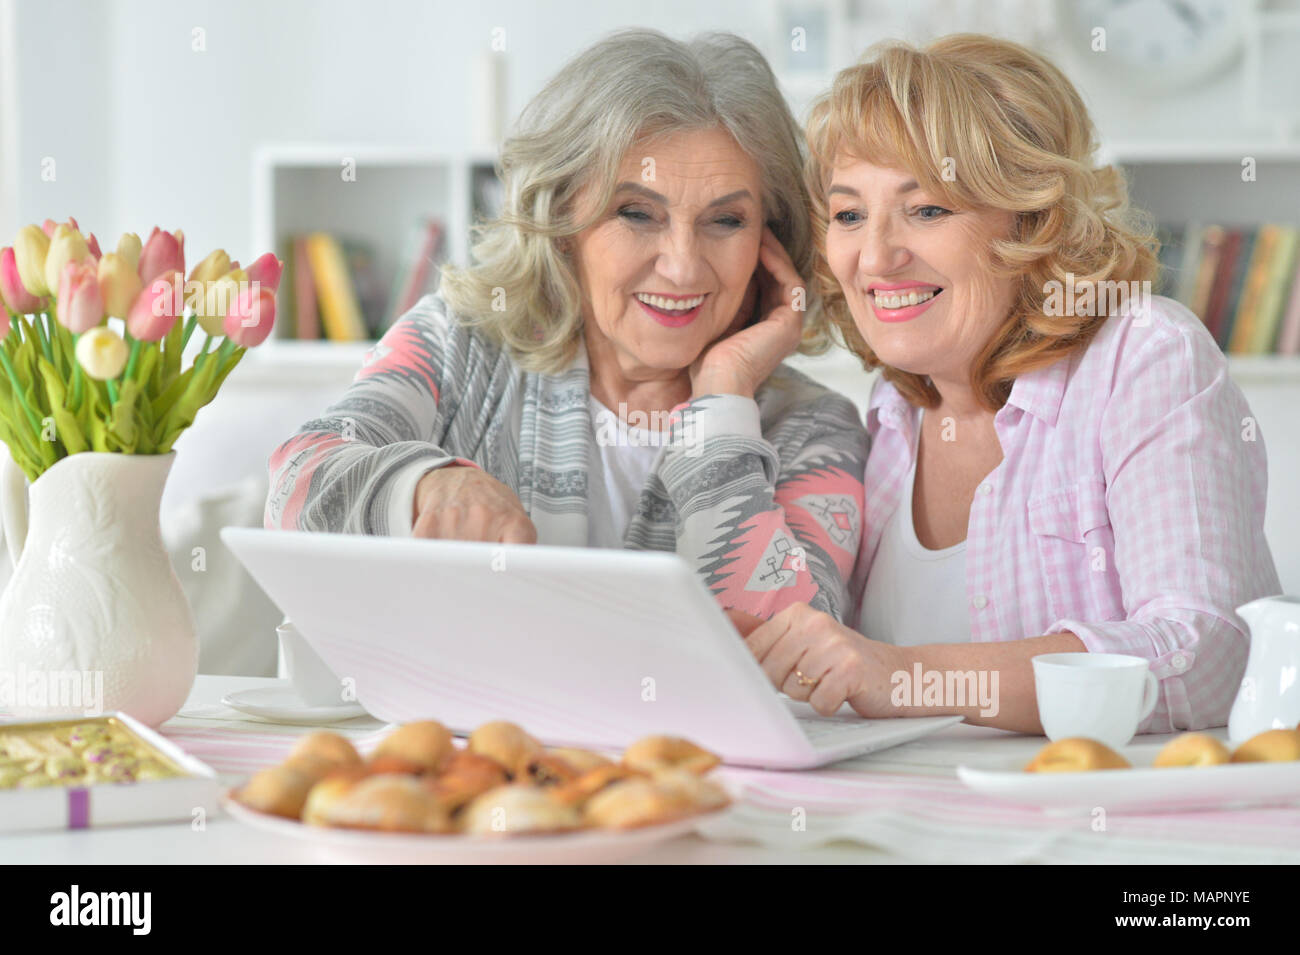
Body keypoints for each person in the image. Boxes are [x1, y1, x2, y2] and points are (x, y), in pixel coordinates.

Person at [738, 34, 1281, 730]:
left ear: (1030, 220)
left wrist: (903, 677)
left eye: (927, 208)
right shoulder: (888, 414)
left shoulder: (1145, 356)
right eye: (848, 214)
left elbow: (1207, 654)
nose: (875, 255)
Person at [265, 29, 868, 622]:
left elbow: (799, 652)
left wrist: (725, 404)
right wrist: (426, 486)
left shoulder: (813, 429)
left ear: (771, 241)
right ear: (559, 219)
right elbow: (295, 482)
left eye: (725, 221)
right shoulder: (457, 348)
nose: (683, 266)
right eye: (637, 213)